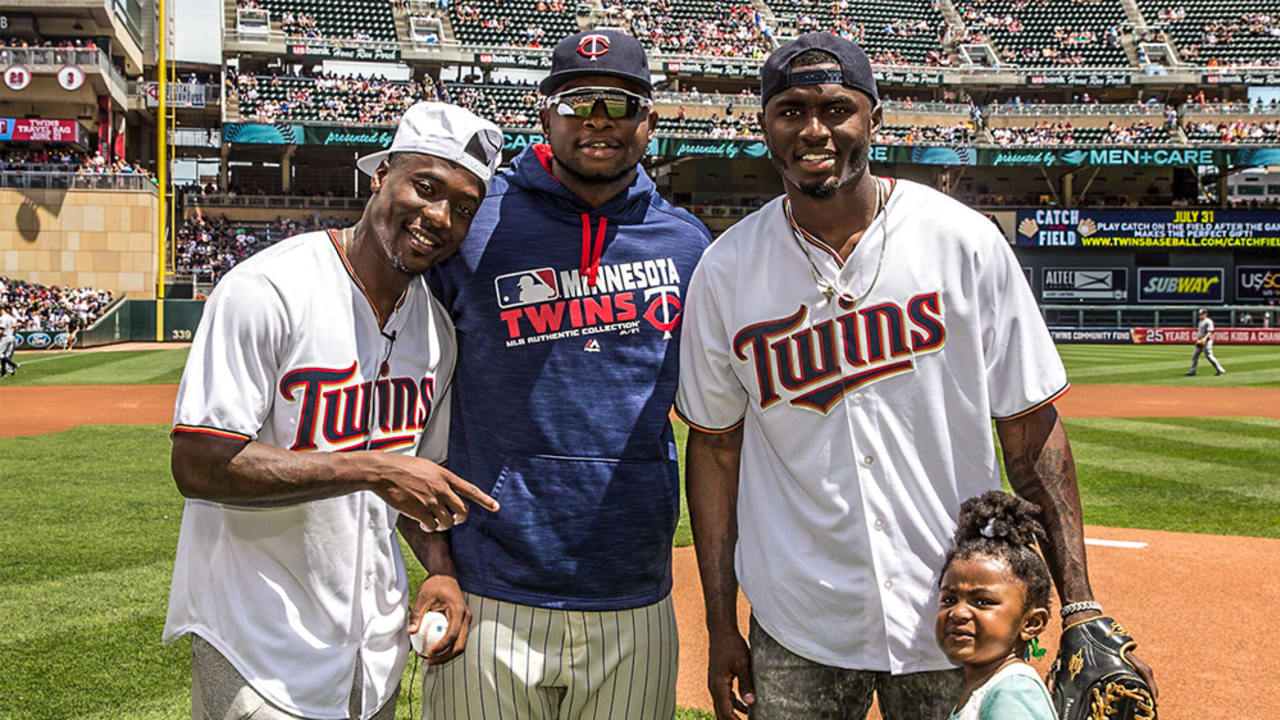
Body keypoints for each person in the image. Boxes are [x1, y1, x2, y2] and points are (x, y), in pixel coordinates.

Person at [676, 33, 1156, 720]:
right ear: (764, 126)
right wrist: (721, 625)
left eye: (835, 108)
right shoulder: (725, 270)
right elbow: (716, 449)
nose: (813, 130)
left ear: (874, 118)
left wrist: (1079, 604)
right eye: (790, 111)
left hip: (954, 610)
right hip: (799, 618)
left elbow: (1031, 431)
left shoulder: (961, 241)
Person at [163, 102, 502, 720]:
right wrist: (374, 468)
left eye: (463, 207)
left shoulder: (435, 332)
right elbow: (200, 464)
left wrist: (439, 569)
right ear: (380, 177)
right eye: (426, 188)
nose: (439, 216)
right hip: (259, 646)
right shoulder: (269, 289)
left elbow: (415, 489)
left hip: (374, 652)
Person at [421, 29, 712, 720]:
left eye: (620, 104)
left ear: (649, 120)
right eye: (579, 102)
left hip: (631, 590)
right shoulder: (476, 224)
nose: (599, 121)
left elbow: (715, 421)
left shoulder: (686, 245)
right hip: (490, 584)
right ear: (543, 112)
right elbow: (407, 403)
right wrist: (438, 563)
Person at [935, 491, 1055, 720]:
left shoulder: (1011, 694)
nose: (958, 613)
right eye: (949, 599)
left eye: (983, 602)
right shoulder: (988, 684)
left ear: (1031, 623)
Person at [1186, 307, 1225, 376]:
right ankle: (1192, 371)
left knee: (1209, 356)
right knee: (1195, 356)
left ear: (1205, 314)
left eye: (1201, 314)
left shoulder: (1208, 321)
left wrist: (1204, 339)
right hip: (1200, 341)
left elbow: (1210, 331)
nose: (1200, 315)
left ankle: (1220, 369)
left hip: (1207, 342)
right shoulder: (1200, 321)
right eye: (1199, 314)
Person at [0, 304, 18, 376]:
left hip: (5, 337)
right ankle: (3, 372)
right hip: (11, 336)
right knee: (4, 355)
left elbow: (2, 329)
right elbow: (15, 325)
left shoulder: (2, 318)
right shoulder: (10, 317)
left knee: (0, 354)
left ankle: (14, 365)